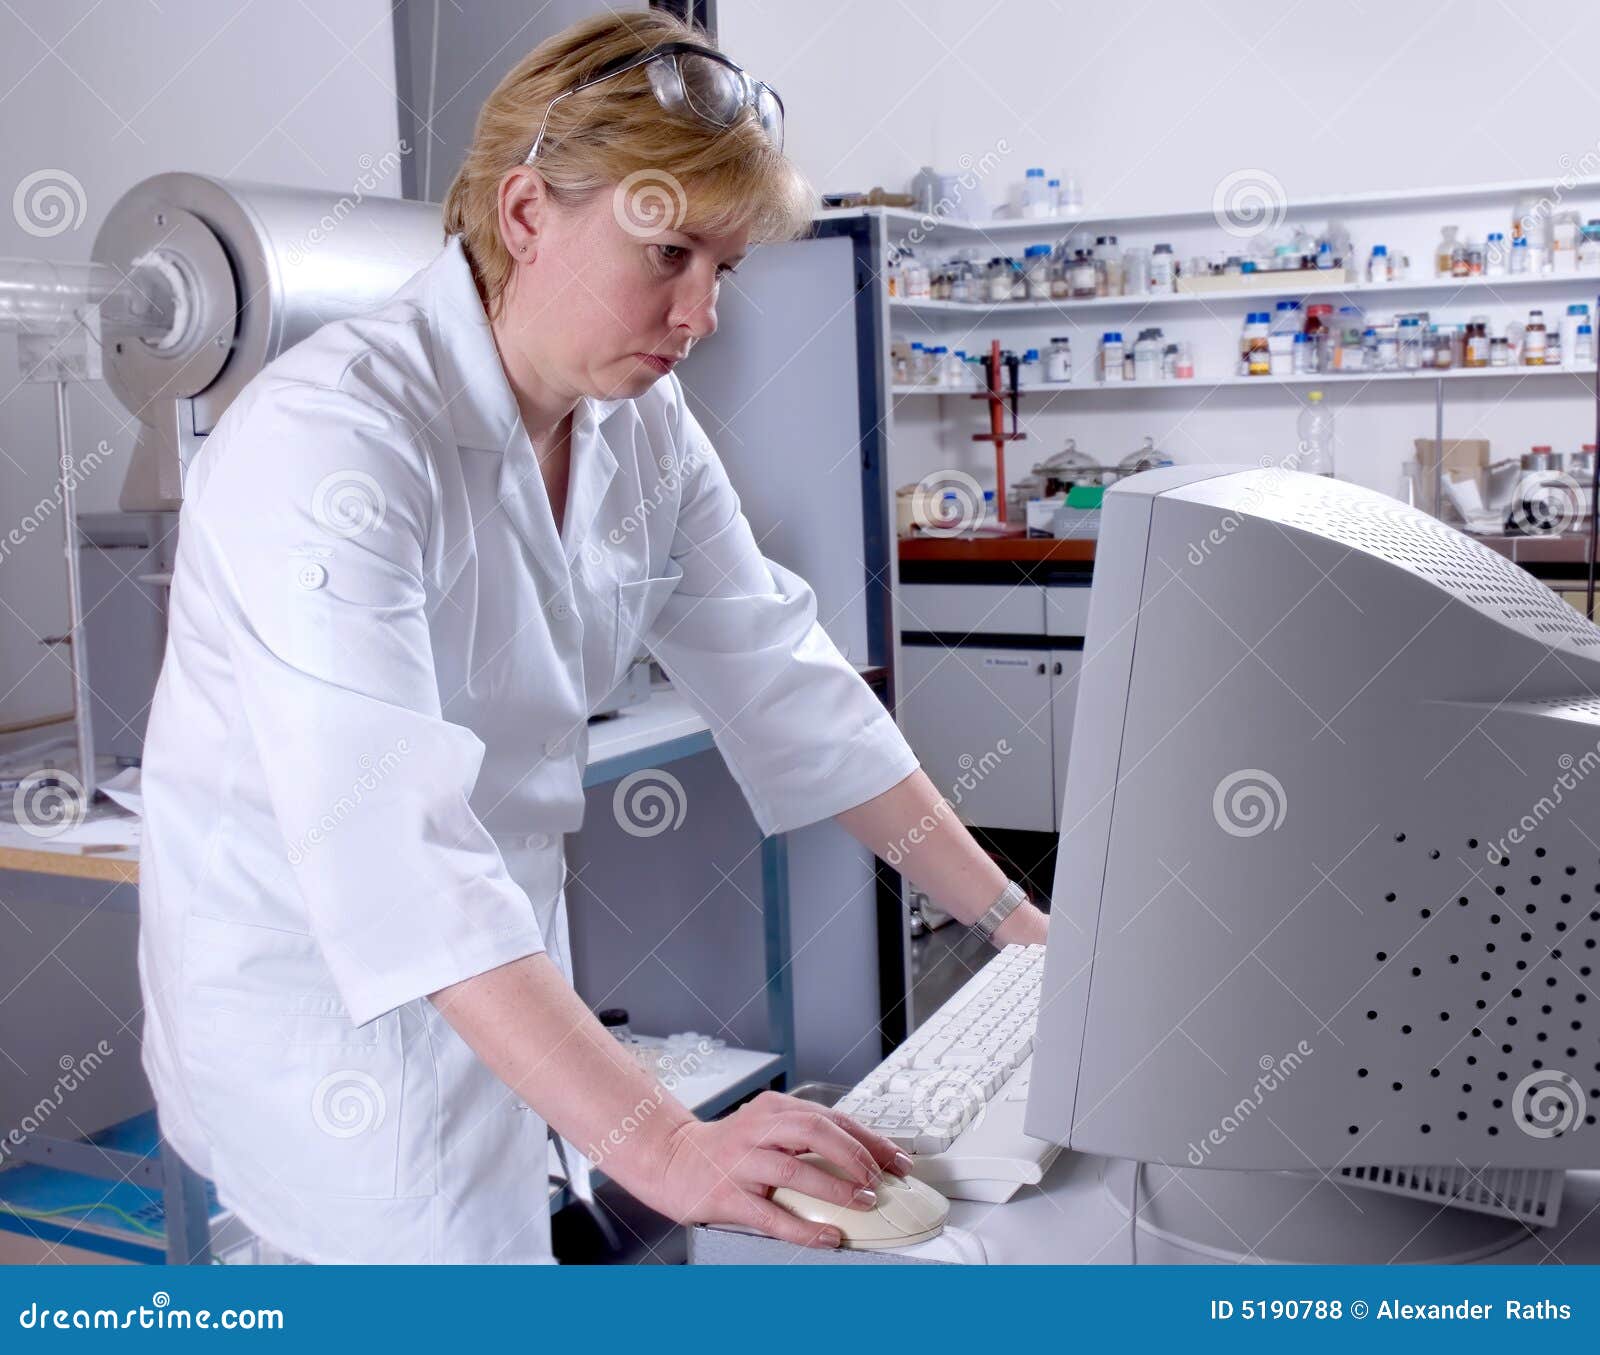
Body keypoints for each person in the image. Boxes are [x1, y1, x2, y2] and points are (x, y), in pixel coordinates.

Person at [137, 10, 1048, 1264]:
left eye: (722, 267)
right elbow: (392, 849)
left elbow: (788, 681)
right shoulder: (330, 439)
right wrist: (667, 1146)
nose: (700, 312)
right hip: (330, 1020)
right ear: (525, 214)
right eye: (669, 251)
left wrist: (1017, 926)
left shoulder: (638, 423)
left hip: (501, 971)